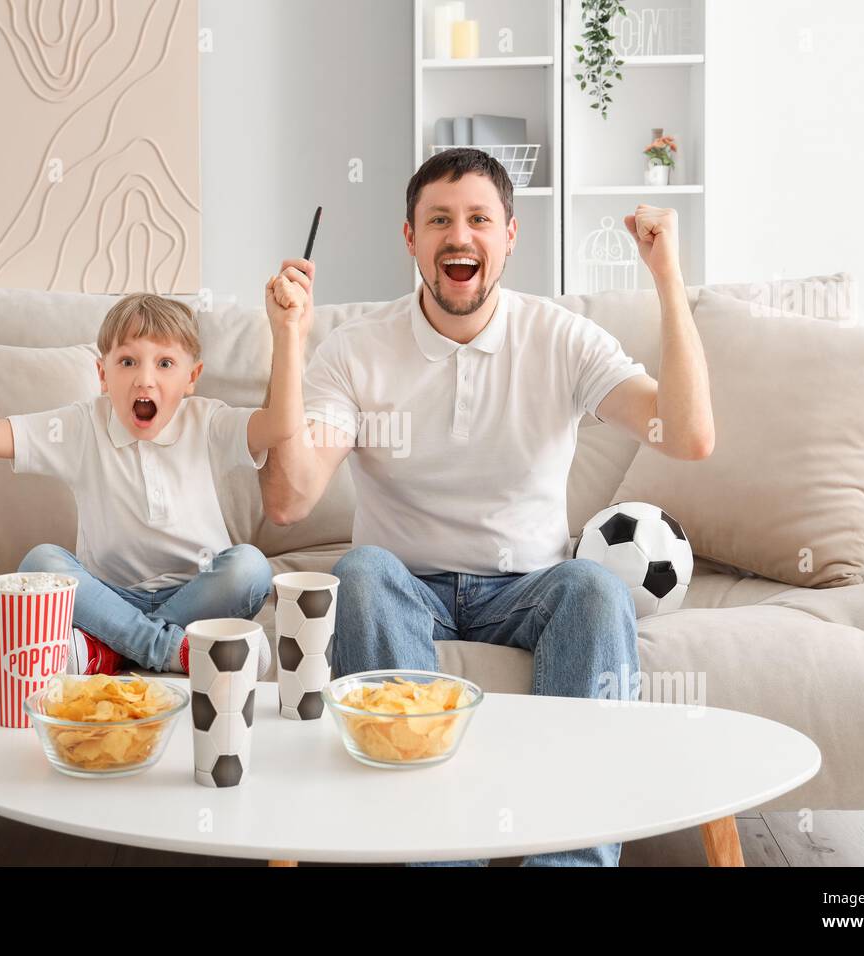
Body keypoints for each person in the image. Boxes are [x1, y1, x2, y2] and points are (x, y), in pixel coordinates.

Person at [259, 147, 715, 866]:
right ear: (410, 238)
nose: (459, 235)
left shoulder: (559, 337)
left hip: (527, 588)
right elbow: (289, 500)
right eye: (439, 219)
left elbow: (687, 436)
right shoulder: (355, 352)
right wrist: (288, 343)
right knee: (363, 574)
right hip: (406, 587)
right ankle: (434, 857)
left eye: (479, 218)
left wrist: (667, 279)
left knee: (595, 586)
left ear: (510, 236)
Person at [0, 276, 310, 676]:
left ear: (193, 377)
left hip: (197, 592)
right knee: (40, 563)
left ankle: (112, 650)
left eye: (165, 363)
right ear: (102, 375)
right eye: (128, 362)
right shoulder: (83, 425)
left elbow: (282, 423)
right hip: (107, 597)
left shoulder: (207, 421)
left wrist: (287, 330)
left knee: (251, 567)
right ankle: (170, 649)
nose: (145, 379)